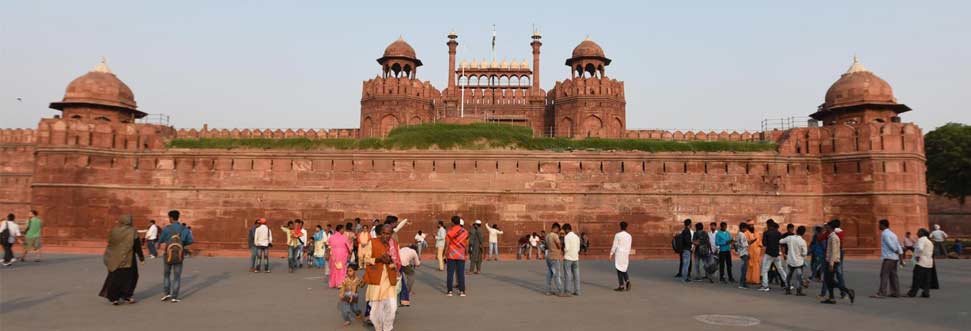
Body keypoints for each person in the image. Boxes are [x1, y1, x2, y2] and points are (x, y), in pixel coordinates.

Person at [99, 215, 145, 305]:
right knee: (131, 277)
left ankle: (114, 298)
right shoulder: (132, 231)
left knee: (115, 277)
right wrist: (141, 257)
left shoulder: (115, 230)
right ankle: (127, 296)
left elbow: (111, 244)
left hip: (114, 257)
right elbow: (137, 246)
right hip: (128, 258)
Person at [363, 224, 400, 331]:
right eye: (383, 233)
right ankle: (379, 328)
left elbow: (398, 262)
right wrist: (379, 259)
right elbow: (366, 259)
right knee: (375, 312)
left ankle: (387, 328)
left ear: (391, 235)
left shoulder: (394, 244)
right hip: (376, 280)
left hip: (389, 281)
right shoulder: (373, 242)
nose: (385, 235)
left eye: (387, 234)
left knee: (392, 308)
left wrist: (390, 261)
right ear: (380, 233)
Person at [157, 210, 193, 303]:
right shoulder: (184, 229)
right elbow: (190, 240)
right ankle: (174, 297)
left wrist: (165, 241)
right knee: (177, 276)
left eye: (169, 217)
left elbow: (160, 240)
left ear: (171, 218)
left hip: (168, 254)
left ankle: (166, 294)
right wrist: (182, 243)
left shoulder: (166, 229)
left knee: (166, 275)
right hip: (179, 255)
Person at [821, 221, 855, 304]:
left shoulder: (834, 237)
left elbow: (834, 251)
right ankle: (832, 297)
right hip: (830, 260)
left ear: (830, 227)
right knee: (829, 280)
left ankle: (847, 290)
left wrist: (831, 264)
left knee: (829, 280)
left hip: (832, 261)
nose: (826, 227)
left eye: (827, 226)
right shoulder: (831, 236)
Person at [873, 219, 903, 298]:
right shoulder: (893, 234)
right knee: (893, 275)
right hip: (894, 258)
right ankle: (895, 292)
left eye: (879, 224)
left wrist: (895, 250)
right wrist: (900, 255)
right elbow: (898, 244)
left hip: (889, 257)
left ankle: (882, 292)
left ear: (883, 225)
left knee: (884, 274)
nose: (878, 226)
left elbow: (890, 244)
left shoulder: (885, 234)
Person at [759, 220, 787, 292]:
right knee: (780, 269)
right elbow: (781, 243)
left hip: (769, 253)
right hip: (777, 254)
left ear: (768, 225)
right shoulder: (778, 233)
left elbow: (764, 244)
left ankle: (765, 286)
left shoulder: (766, 233)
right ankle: (788, 283)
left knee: (764, 270)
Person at [780, 225, 808, 296]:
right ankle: (798, 291)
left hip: (790, 260)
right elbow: (804, 253)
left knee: (788, 276)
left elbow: (781, 241)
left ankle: (787, 290)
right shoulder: (802, 241)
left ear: (796, 231)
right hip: (799, 262)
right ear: (803, 233)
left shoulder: (790, 238)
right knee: (799, 277)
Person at [444, 216, 468, 296]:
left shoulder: (450, 231)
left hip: (451, 254)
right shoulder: (465, 232)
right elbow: (466, 244)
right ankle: (462, 291)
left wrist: (445, 254)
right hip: (461, 254)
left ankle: (449, 291)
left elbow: (447, 244)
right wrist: (466, 254)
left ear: (453, 222)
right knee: (461, 273)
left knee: (450, 273)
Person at [908, 228, 934, 298]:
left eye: (918, 232)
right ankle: (926, 292)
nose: (917, 233)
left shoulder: (921, 239)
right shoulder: (929, 241)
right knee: (927, 279)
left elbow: (920, 248)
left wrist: (917, 256)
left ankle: (913, 292)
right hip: (929, 263)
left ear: (922, 233)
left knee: (917, 278)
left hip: (921, 262)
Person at [545, 223, 566, 296]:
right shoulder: (555, 235)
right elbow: (559, 246)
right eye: (558, 230)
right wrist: (561, 242)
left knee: (549, 274)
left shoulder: (547, 235)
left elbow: (547, 245)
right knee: (557, 274)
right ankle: (560, 291)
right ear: (556, 228)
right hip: (555, 257)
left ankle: (548, 290)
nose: (558, 231)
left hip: (549, 256)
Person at [610, 221, 632, 291]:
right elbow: (629, 246)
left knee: (619, 268)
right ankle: (627, 281)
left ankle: (621, 286)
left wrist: (611, 254)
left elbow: (615, 245)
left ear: (620, 227)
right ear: (626, 227)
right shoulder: (629, 236)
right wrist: (627, 254)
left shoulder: (617, 235)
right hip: (625, 253)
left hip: (619, 253)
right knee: (623, 268)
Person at [563, 223, 581, 296]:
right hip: (575, 257)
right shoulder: (577, 237)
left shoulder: (567, 237)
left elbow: (566, 248)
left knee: (568, 275)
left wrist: (563, 250)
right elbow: (578, 249)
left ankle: (568, 291)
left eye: (564, 230)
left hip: (568, 257)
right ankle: (577, 291)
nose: (564, 232)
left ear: (567, 229)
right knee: (576, 275)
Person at [745, 220, 762, 286]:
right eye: (750, 225)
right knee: (750, 266)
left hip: (756, 252)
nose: (752, 226)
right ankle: (749, 279)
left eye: (752, 225)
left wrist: (760, 246)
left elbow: (760, 240)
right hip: (750, 251)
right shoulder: (746, 233)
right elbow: (746, 243)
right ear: (748, 226)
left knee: (756, 266)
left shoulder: (757, 233)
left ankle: (756, 280)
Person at [735, 222, 751, 289]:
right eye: (745, 228)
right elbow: (743, 244)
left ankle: (743, 283)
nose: (746, 230)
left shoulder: (739, 234)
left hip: (742, 252)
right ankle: (742, 284)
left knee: (744, 268)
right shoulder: (741, 234)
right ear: (742, 228)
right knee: (744, 269)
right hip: (744, 252)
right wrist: (749, 243)